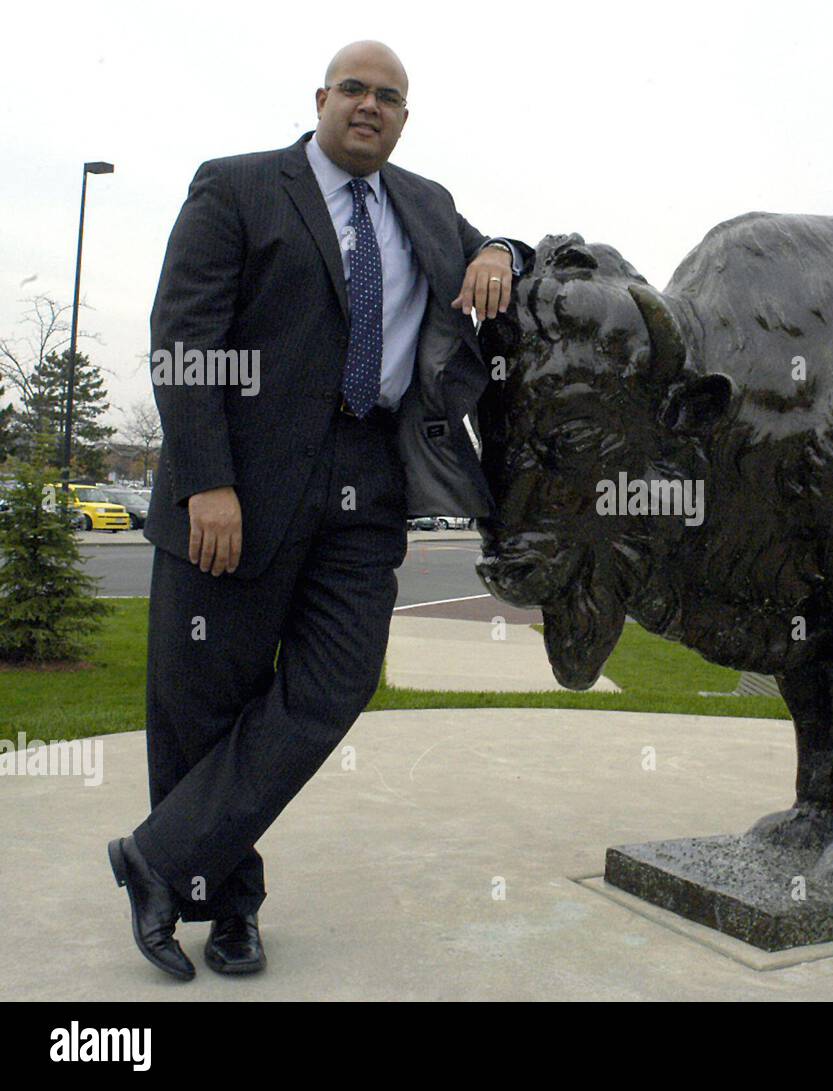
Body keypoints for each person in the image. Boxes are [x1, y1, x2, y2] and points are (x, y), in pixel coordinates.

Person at [108, 40, 531, 980]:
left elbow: (505, 253)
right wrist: (204, 481)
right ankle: (226, 911)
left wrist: (499, 249)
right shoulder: (237, 188)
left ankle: (157, 858)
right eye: (354, 89)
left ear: (404, 117)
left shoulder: (427, 204)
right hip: (240, 490)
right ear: (322, 99)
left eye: (389, 96)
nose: (369, 105)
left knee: (335, 682)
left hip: (368, 481)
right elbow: (184, 340)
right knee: (205, 708)